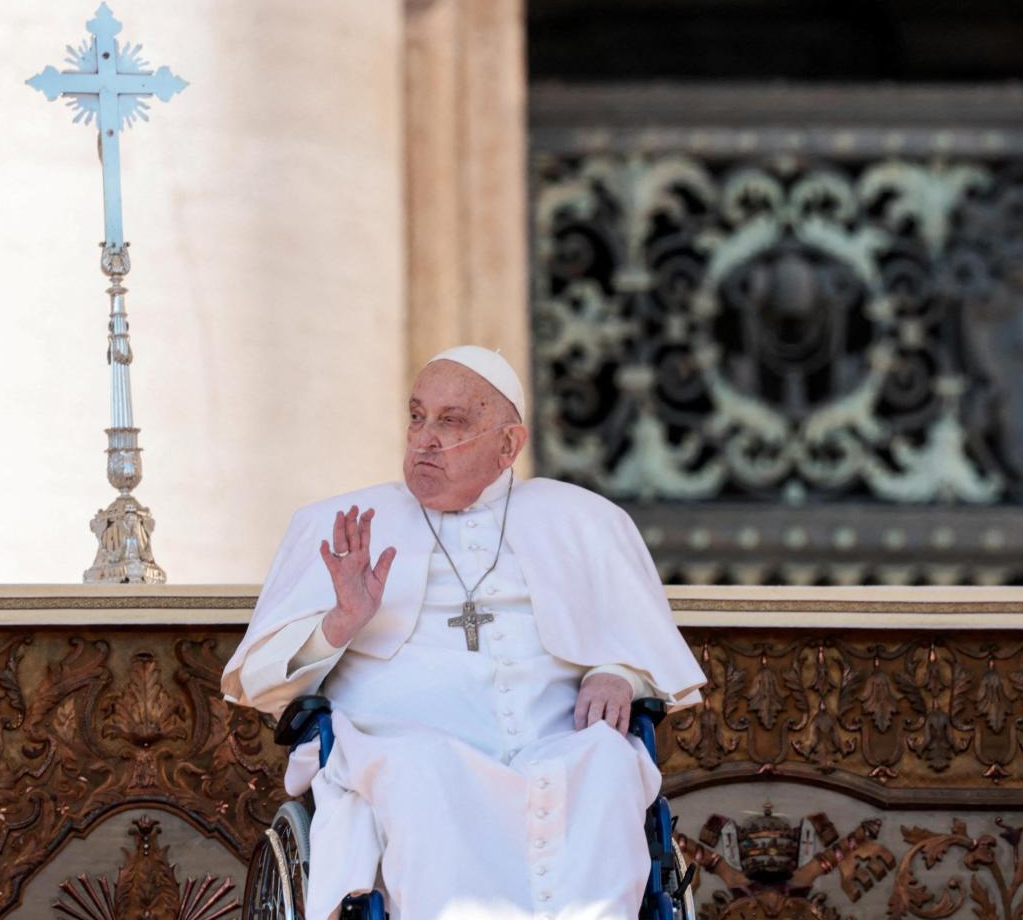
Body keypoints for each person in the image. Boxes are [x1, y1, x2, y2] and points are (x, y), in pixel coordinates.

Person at [221, 345, 705, 920]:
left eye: (450, 422)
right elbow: (255, 683)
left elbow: (643, 648)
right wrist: (338, 624)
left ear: (509, 445)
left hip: (557, 748)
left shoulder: (585, 520)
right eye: (417, 416)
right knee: (426, 771)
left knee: (607, 761)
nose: (424, 438)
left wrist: (616, 672)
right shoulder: (337, 524)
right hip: (405, 745)